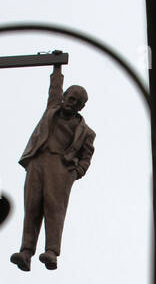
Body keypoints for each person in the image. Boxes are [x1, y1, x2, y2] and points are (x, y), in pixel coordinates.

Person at [11, 65, 95, 271]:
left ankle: (52, 252)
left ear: (81, 107)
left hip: (60, 167)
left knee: (54, 209)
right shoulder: (52, 109)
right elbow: (54, 88)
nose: (72, 103)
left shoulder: (86, 132)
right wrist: (57, 67)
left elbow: (86, 156)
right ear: (65, 96)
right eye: (70, 97)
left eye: (77, 102)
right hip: (38, 161)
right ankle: (26, 252)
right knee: (31, 206)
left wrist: (76, 172)